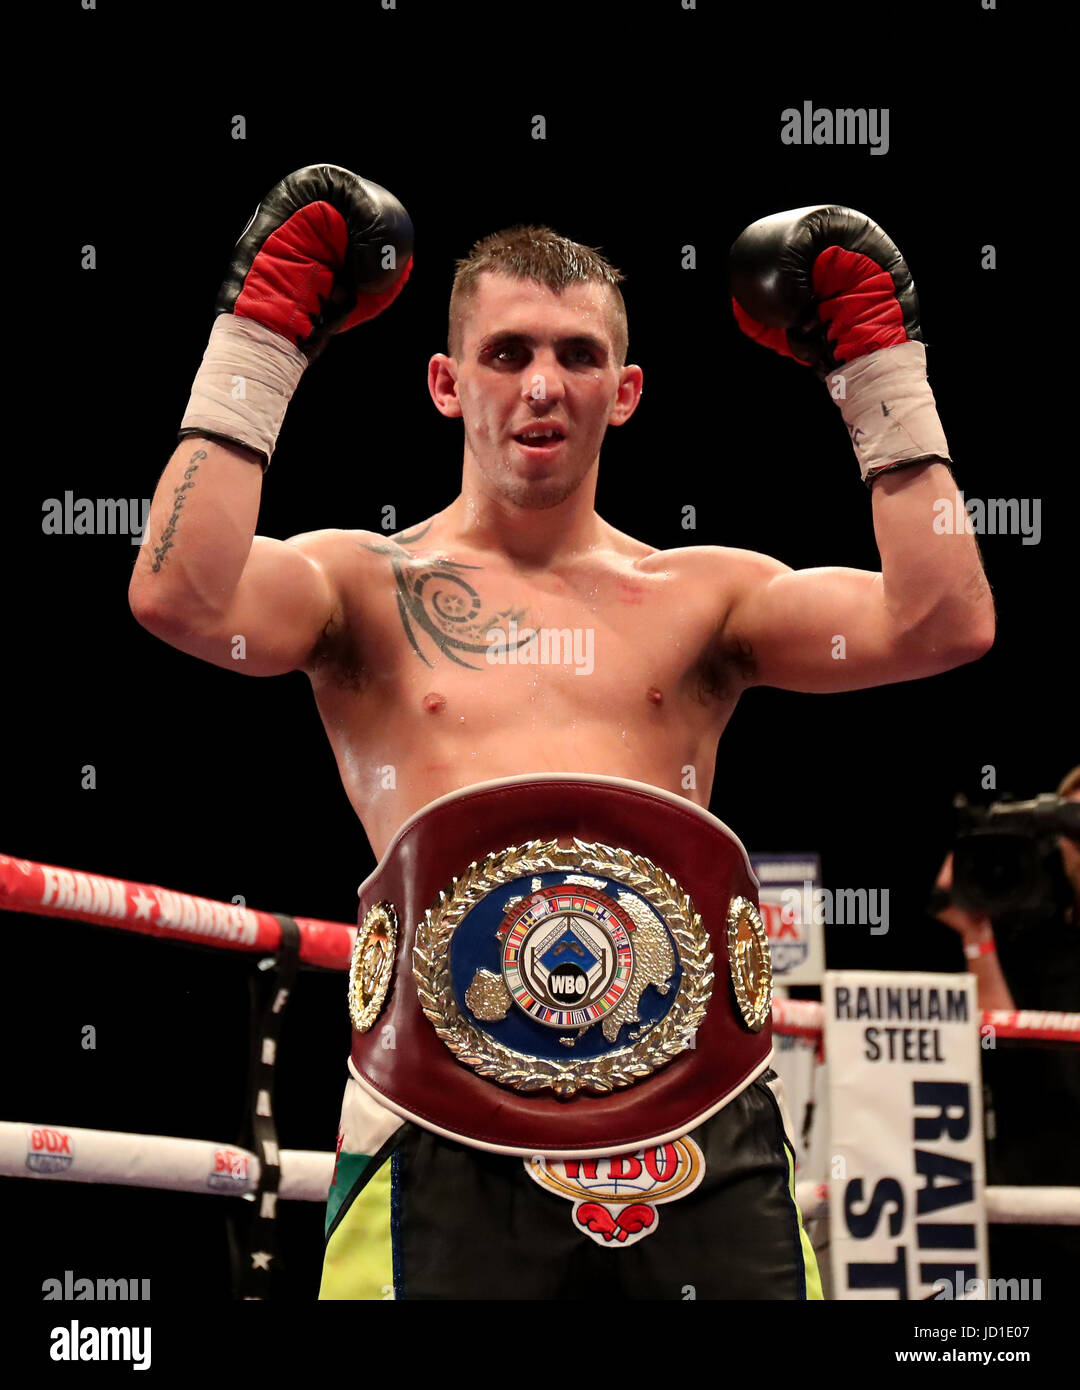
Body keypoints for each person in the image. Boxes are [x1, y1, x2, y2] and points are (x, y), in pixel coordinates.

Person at [128, 165, 995, 1299]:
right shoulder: (362, 584)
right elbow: (179, 596)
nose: (544, 385)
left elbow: (943, 622)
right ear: (446, 382)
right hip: (436, 1117)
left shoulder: (702, 595)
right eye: (509, 353)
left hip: (701, 1119)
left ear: (625, 391)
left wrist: (881, 371)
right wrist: (263, 335)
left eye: (578, 356)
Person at [933, 767, 1080, 1297]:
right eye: (1073, 831)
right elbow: (1009, 1053)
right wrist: (976, 937)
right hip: (1034, 1206)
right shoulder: (1030, 927)